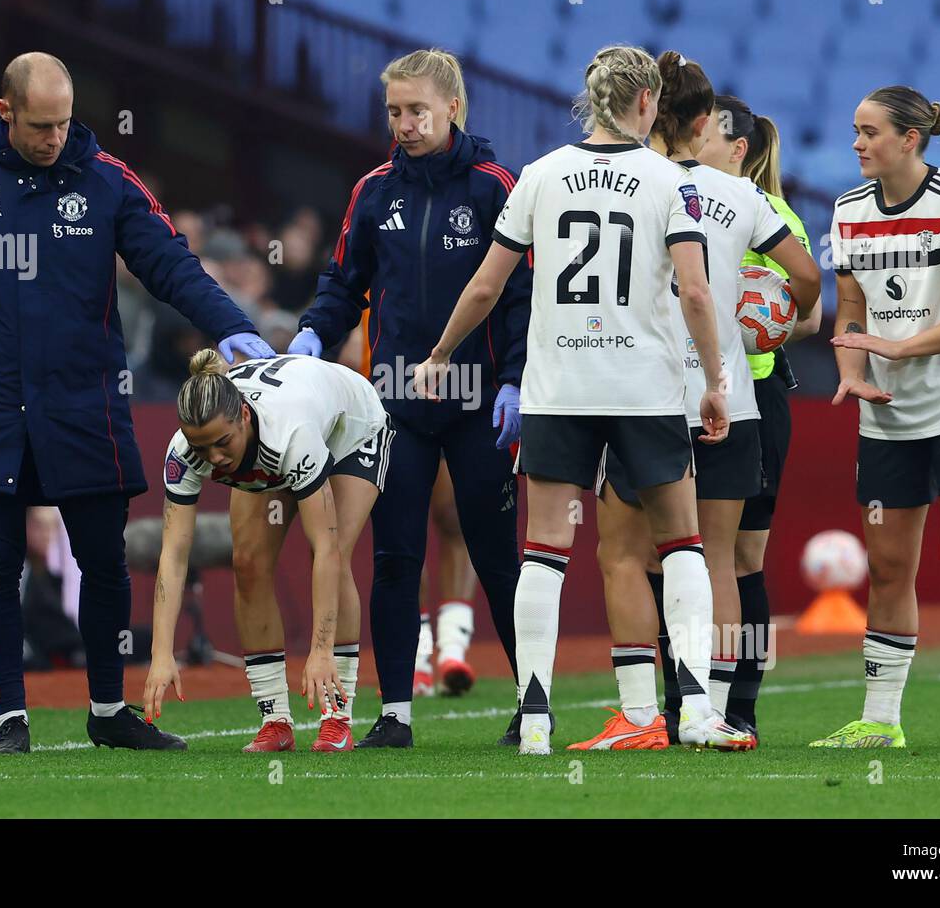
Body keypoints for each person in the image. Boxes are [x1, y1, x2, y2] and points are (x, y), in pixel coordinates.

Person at [0, 52, 273, 755]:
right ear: (6, 113)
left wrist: (231, 321)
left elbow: (170, 263)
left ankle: (107, 710)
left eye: (63, 122)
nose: (55, 137)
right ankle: (10, 719)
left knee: (105, 561)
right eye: (39, 126)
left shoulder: (107, 182)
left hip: (85, 402)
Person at [415, 44, 748, 754]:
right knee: (681, 539)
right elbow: (694, 291)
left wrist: (440, 354)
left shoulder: (539, 175)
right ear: (647, 103)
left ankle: (535, 717)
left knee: (545, 549)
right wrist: (716, 381)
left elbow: (486, 285)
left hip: (560, 386)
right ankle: (691, 710)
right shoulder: (669, 181)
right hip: (644, 386)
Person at [290, 48, 530, 748]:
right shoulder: (372, 192)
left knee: (496, 556)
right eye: (394, 111)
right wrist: (312, 333)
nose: (404, 124)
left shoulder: (494, 187)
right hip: (394, 405)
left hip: (479, 402)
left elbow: (518, 296)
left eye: (417, 110)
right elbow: (344, 282)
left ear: (453, 107)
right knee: (395, 558)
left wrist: (514, 377)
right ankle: (394, 712)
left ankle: (531, 701)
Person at [580, 53, 819, 752]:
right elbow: (807, 279)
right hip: (731, 397)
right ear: (705, 120)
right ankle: (711, 713)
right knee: (719, 559)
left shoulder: (624, 186)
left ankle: (642, 714)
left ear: (649, 109)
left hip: (640, 395)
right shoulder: (740, 196)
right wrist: (774, 316)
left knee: (627, 555)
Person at [813, 86, 940, 750]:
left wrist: (900, 348)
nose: (856, 144)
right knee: (891, 565)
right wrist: (850, 368)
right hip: (890, 415)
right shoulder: (846, 209)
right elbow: (848, 306)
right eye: (854, 131)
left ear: (910, 139)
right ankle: (880, 722)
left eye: (869, 131)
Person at [143, 349, 391, 752]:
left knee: (335, 554)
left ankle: (337, 716)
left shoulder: (291, 434)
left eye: (222, 443)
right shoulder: (184, 452)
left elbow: (325, 548)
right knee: (248, 563)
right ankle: (274, 719)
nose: (215, 459)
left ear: (242, 415)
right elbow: (173, 555)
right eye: (201, 448)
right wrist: (160, 654)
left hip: (350, 429)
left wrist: (320, 649)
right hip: (273, 446)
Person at [694, 93, 822, 738]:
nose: (691, 144)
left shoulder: (771, 214)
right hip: (682, 397)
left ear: (736, 148)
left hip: (754, 399)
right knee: (679, 555)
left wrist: (757, 330)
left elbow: (812, 313)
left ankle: (739, 704)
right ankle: (680, 700)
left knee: (741, 558)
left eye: (702, 135)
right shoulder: (677, 198)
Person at [413, 459, 481, 696]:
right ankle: (417, 658)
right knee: (405, 527)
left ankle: (453, 650)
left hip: (450, 422)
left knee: (454, 517)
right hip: (397, 424)